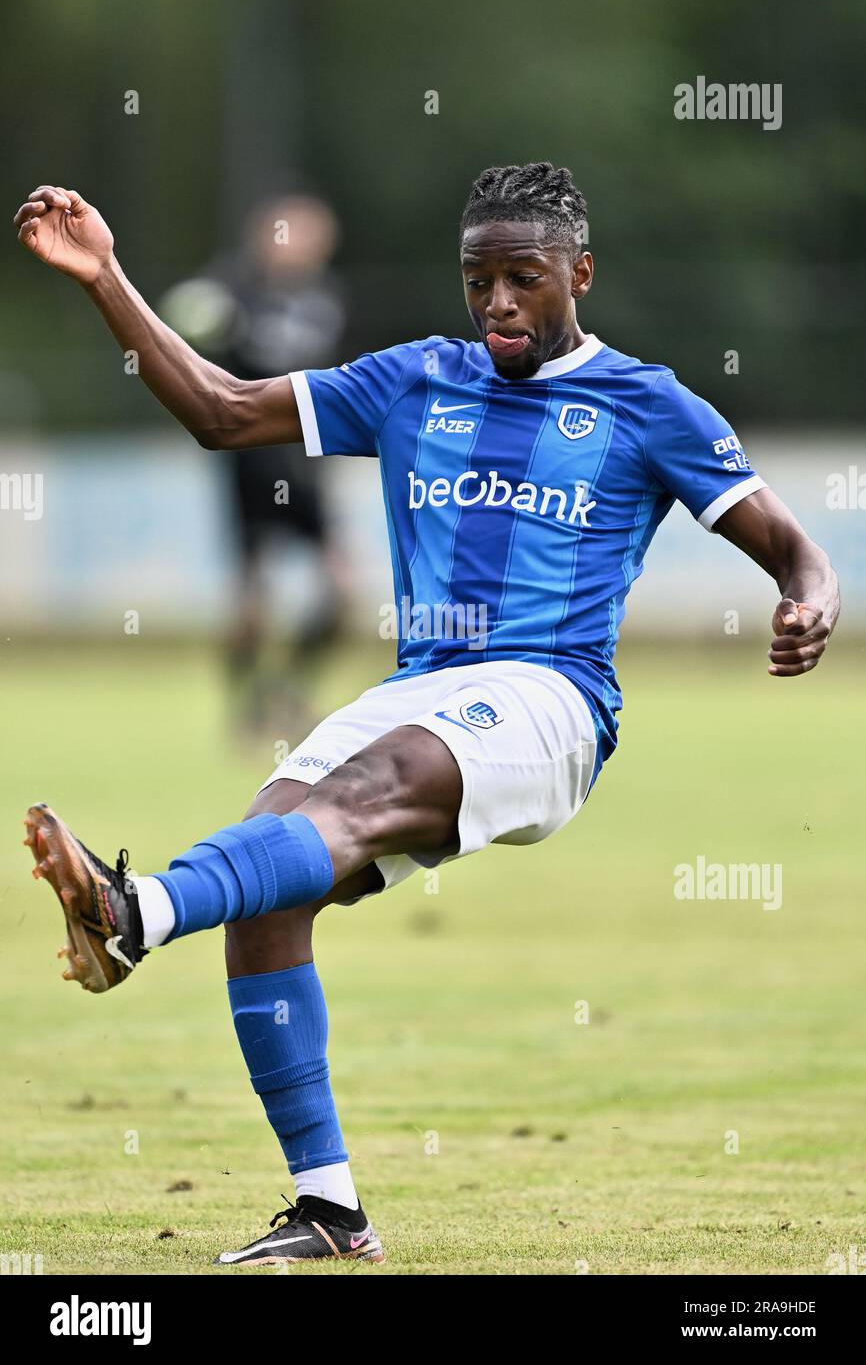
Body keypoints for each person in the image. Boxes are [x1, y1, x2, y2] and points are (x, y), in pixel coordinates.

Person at [13, 163, 839, 1267]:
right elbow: (219, 411)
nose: (495, 302)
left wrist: (809, 597)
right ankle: (327, 1209)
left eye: (521, 279)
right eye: (477, 280)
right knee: (271, 870)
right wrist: (106, 275)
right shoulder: (413, 381)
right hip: (417, 687)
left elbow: (789, 546)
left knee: (347, 802)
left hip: (548, 696)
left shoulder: (647, 404)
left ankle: (138, 912)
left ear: (576, 276)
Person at [158, 193, 348, 736]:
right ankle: (245, 708)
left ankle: (287, 691)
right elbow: (187, 329)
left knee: (340, 589)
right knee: (251, 600)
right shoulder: (231, 288)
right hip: (249, 460)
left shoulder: (326, 298)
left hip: (307, 460)